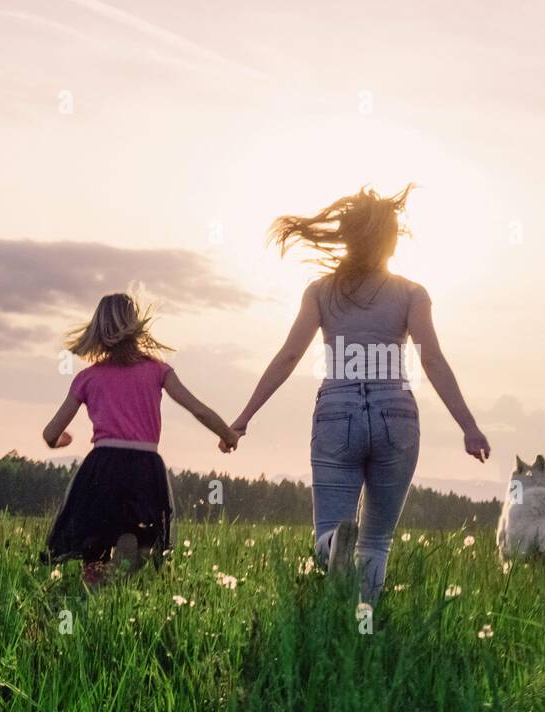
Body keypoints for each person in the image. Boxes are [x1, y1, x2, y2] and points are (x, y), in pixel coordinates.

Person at [229, 185, 491, 605]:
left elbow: (290, 355)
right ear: (391, 240)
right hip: (395, 413)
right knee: (376, 541)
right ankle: (363, 626)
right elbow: (433, 361)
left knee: (330, 532)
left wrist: (243, 419)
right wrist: (469, 427)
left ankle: (334, 548)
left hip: (338, 411)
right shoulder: (411, 293)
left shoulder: (320, 291)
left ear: (346, 238)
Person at [41, 293, 239, 585]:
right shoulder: (157, 370)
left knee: (94, 541)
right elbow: (197, 408)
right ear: (135, 326)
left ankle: (96, 588)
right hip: (143, 466)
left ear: (97, 329)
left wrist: (61, 441)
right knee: (144, 535)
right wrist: (228, 434)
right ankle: (122, 565)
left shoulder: (87, 378)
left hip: (103, 464)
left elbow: (50, 433)